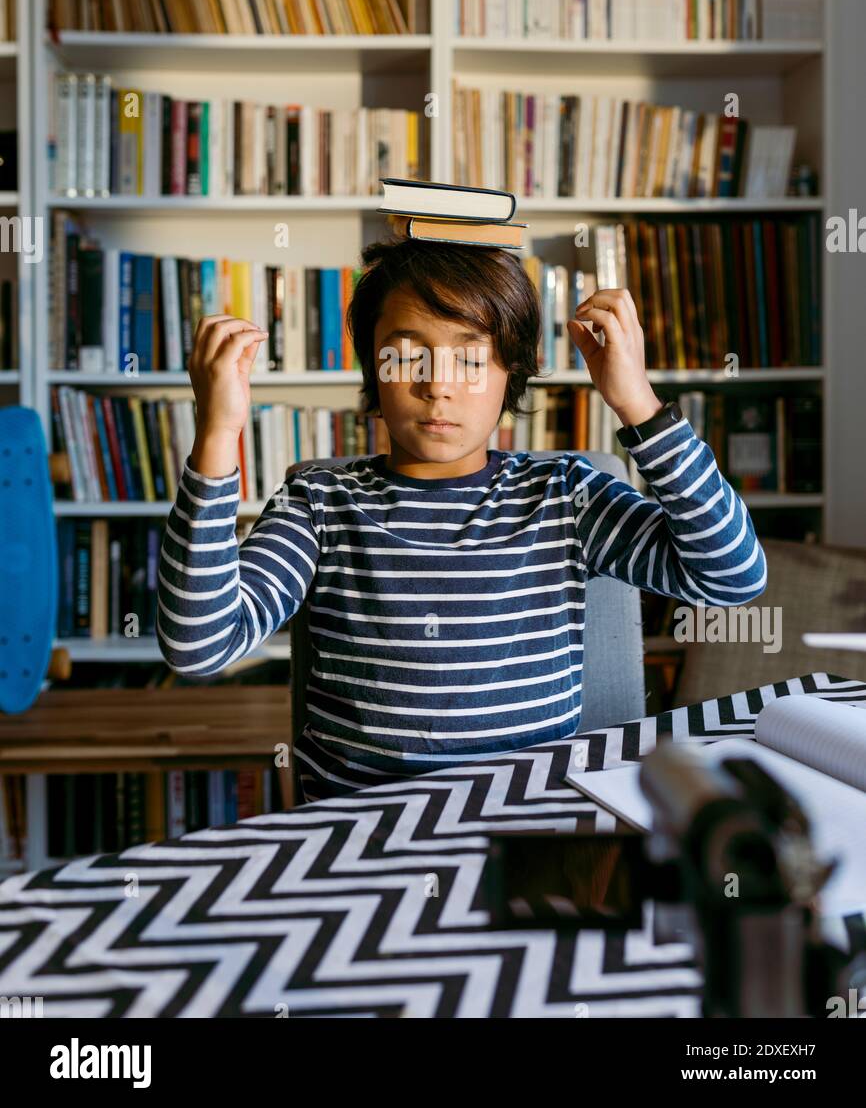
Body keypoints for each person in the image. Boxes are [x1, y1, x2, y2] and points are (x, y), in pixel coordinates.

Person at [156, 237, 766, 803]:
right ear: (373, 367)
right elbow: (198, 646)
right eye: (405, 356)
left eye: (472, 359)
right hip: (359, 833)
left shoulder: (565, 495)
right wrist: (218, 435)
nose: (437, 386)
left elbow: (733, 577)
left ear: (511, 375)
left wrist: (639, 405)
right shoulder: (320, 502)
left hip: (526, 819)